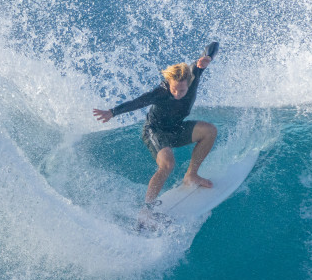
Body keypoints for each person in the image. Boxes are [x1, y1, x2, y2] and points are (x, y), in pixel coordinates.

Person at [93, 42, 219, 226]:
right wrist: (112, 112)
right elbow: (138, 102)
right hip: (155, 131)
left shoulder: (194, 73)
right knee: (167, 164)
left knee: (210, 131)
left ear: (189, 82)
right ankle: (146, 210)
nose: (176, 93)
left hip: (176, 128)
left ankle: (192, 175)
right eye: (173, 88)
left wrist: (208, 57)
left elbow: (213, 46)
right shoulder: (161, 92)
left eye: (181, 90)